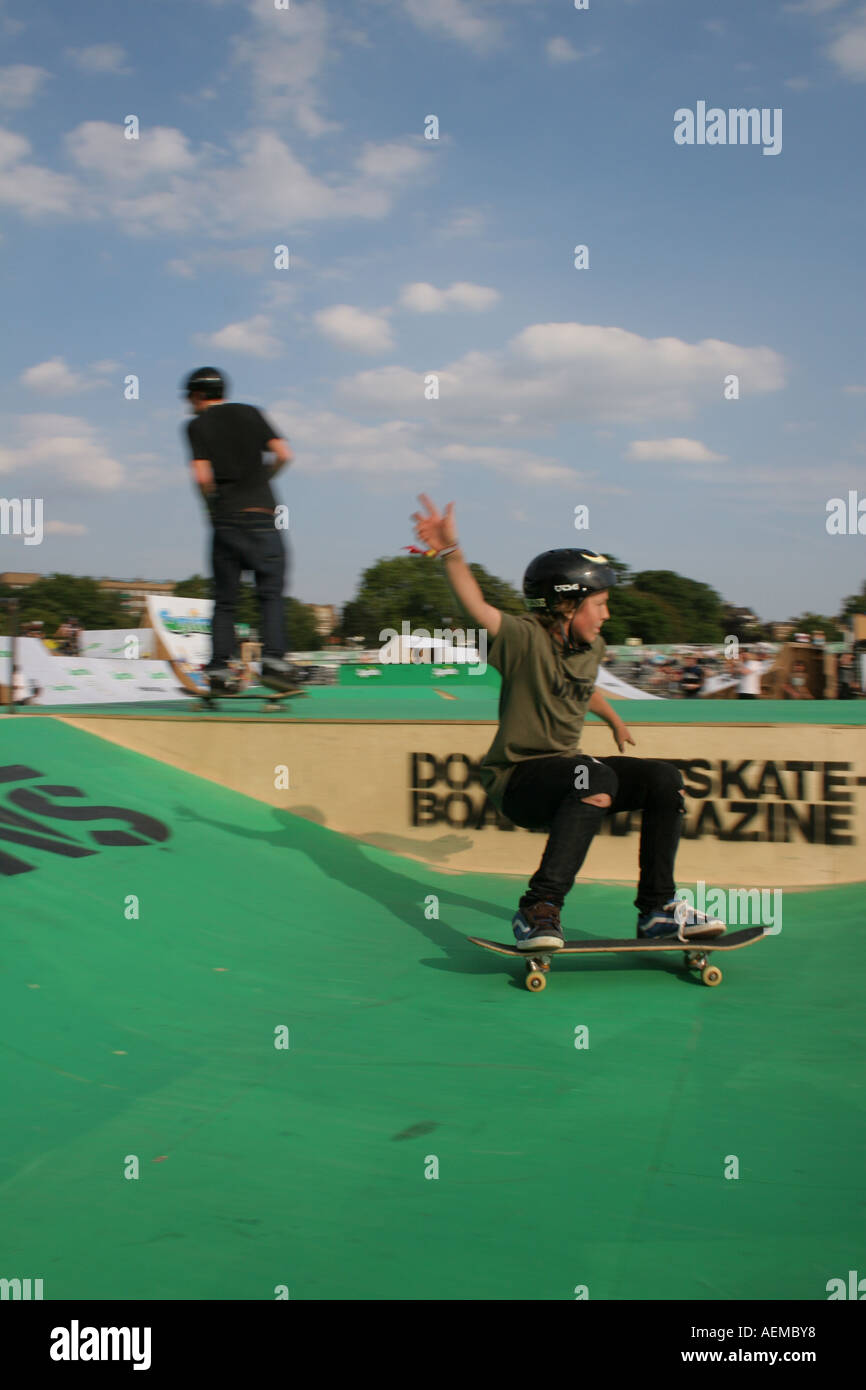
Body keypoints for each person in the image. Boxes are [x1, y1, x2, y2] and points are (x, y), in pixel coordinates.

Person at [411, 494, 724, 949]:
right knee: (591, 776)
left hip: (566, 772)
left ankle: (657, 910)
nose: (607, 615)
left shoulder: (591, 649)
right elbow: (477, 608)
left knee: (664, 779)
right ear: (566, 605)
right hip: (517, 779)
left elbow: (582, 688)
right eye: (599, 604)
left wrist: (614, 718)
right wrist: (449, 551)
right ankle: (538, 909)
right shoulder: (522, 638)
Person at [181, 367, 304, 693]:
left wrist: (211, 507)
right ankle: (275, 663)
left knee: (225, 601)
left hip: (227, 520)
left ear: (196, 395)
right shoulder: (251, 413)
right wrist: (263, 479)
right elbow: (284, 455)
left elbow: (202, 478)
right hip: (263, 516)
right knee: (270, 594)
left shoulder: (196, 425)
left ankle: (220, 670)